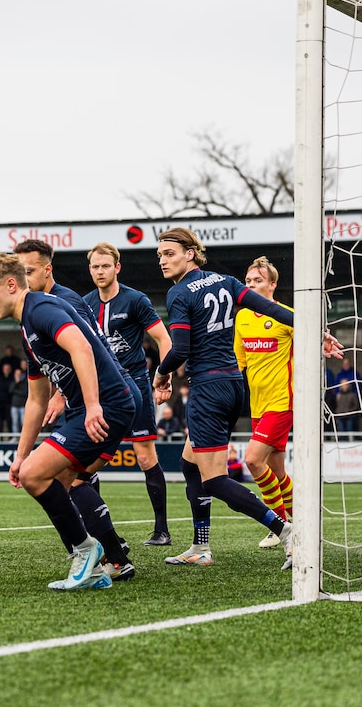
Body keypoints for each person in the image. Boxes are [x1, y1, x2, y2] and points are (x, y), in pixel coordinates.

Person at [0, 252, 138, 590]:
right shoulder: (26, 325)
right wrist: (19, 455)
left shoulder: (40, 308)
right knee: (55, 481)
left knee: (35, 476)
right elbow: (36, 399)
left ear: (11, 285)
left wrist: (92, 406)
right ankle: (98, 567)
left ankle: (87, 551)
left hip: (107, 405)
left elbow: (81, 348)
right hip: (89, 407)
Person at [152, 228, 309, 569]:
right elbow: (273, 309)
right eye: (160, 255)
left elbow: (179, 349)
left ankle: (286, 532)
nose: (163, 260)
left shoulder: (179, 293)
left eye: (169, 253)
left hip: (208, 389)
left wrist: (161, 373)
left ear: (190, 253)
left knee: (216, 480)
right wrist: (314, 327)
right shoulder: (225, 281)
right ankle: (200, 546)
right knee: (190, 463)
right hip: (234, 385)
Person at [85, 241, 174, 546]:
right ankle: (99, 531)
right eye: (95, 266)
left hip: (135, 385)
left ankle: (161, 530)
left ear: (116, 268)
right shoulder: (84, 305)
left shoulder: (135, 300)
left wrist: (166, 375)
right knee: (89, 457)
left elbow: (163, 338)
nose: (100, 271)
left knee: (145, 456)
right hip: (101, 391)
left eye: (105, 266)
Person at [233, 256, 298, 550]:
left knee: (252, 460)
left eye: (257, 280)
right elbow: (239, 364)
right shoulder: (242, 319)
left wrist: (324, 341)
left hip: (282, 402)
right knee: (278, 472)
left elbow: (311, 343)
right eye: (247, 281)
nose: (251, 285)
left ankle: (278, 525)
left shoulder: (287, 316)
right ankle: (301, 521)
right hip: (257, 406)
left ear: (272, 285)